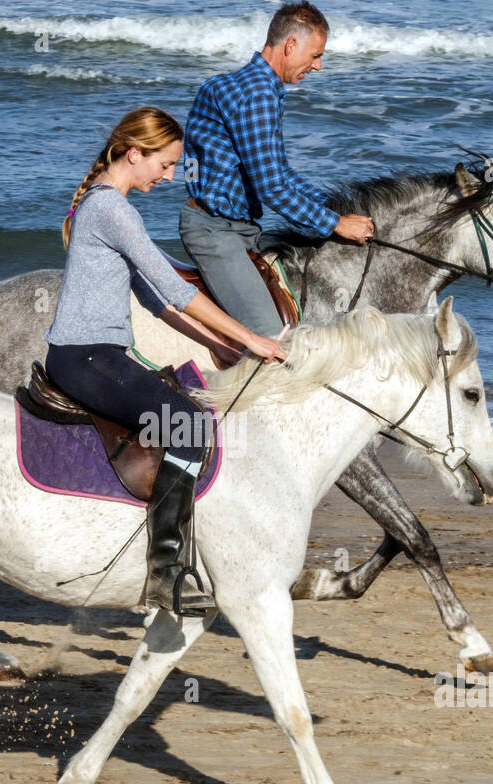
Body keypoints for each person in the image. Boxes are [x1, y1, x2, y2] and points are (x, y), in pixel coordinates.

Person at [44, 107, 287, 615]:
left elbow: (156, 300)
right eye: (166, 163)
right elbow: (176, 288)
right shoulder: (112, 209)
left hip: (92, 354)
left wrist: (217, 346)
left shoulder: (101, 205)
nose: (171, 175)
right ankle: (165, 572)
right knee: (192, 425)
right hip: (85, 358)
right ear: (135, 153)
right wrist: (254, 339)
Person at [180, 1, 375, 335]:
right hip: (216, 233)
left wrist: (331, 203)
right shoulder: (257, 93)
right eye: (315, 55)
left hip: (238, 228)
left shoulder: (243, 85)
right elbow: (271, 187)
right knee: (274, 338)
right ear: (290, 45)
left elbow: (278, 172)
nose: (318, 66)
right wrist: (335, 223)